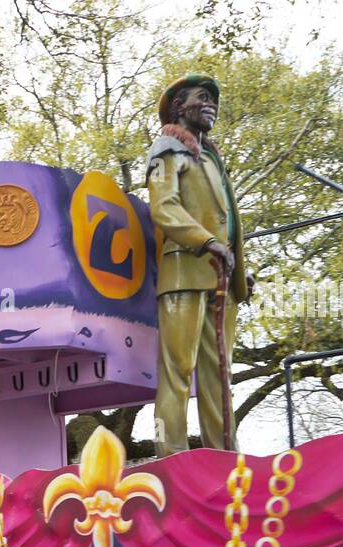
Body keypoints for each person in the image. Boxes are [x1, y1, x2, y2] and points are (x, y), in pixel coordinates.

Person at [146, 73, 249, 457]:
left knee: (219, 375)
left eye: (215, 101)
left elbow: (228, 221)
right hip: (183, 274)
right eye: (203, 97)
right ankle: (169, 455)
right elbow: (164, 207)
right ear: (178, 106)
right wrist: (206, 242)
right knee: (176, 371)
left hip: (220, 277)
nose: (212, 105)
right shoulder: (167, 149)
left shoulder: (211, 158)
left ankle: (226, 457)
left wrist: (239, 269)